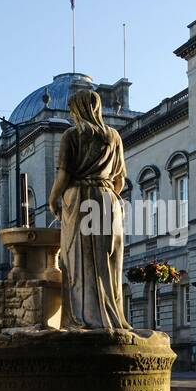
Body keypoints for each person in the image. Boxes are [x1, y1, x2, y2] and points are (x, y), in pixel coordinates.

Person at [47, 87, 132, 330]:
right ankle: (111, 316)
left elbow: (64, 174)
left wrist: (54, 198)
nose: (72, 115)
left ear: (78, 110)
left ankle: (84, 318)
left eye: (73, 111)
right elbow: (120, 180)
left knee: (77, 261)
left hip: (79, 200)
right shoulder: (114, 136)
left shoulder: (72, 136)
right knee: (108, 262)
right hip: (108, 199)